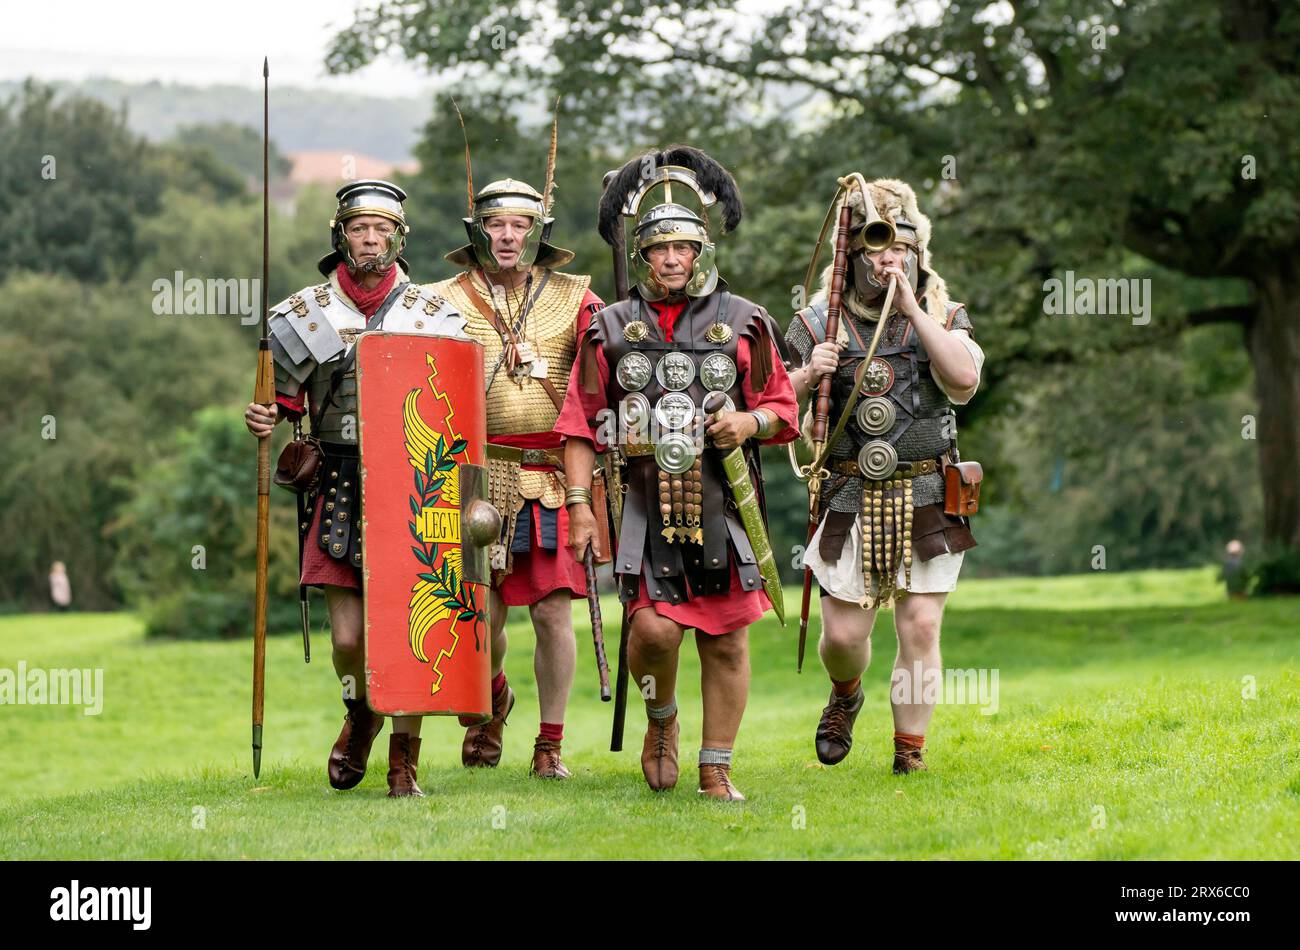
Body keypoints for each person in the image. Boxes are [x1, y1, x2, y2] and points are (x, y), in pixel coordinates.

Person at [558, 146, 798, 800]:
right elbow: (580, 422)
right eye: (659, 248)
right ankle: (660, 721)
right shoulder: (606, 328)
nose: (671, 259)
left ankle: (716, 765)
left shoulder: (745, 321)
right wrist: (580, 505)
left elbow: (783, 408)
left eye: (683, 248)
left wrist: (748, 424)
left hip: (725, 506)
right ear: (641, 256)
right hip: (641, 506)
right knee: (656, 630)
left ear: (701, 253)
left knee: (725, 643)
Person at [244, 179, 467, 796]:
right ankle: (360, 709)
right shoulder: (303, 314)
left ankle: (405, 763)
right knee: (349, 639)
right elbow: (281, 404)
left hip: (414, 483)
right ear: (340, 236)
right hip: (338, 482)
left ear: (400, 237)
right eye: (358, 229)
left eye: (381, 229)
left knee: (409, 630)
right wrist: (264, 417)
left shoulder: (435, 316)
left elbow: (455, 404)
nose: (370, 239)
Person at [784, 177, 984, 775]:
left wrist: (914, 312)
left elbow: (963, 383)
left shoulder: (945, 313)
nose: (889, 256)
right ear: (853, 251)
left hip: (928, 486)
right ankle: (846, 694)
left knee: (921, 624)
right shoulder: (816, 321)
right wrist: (806, 377)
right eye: (876, 245)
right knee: (843, 639)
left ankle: (909, 755)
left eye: (899, 243)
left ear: (917, 250)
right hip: (848, 491)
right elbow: (770, 410)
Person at [429, 175, 604, 779]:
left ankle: (550, 745)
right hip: (472, 476)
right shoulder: (437, 300)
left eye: (519, 225)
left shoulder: (578, 300)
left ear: (538, 232)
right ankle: (493, 698)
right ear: (478, 230)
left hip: (549, 477)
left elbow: (604, 380)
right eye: (497, 224)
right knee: (480, 615)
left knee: (554, 613)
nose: (507, 236)